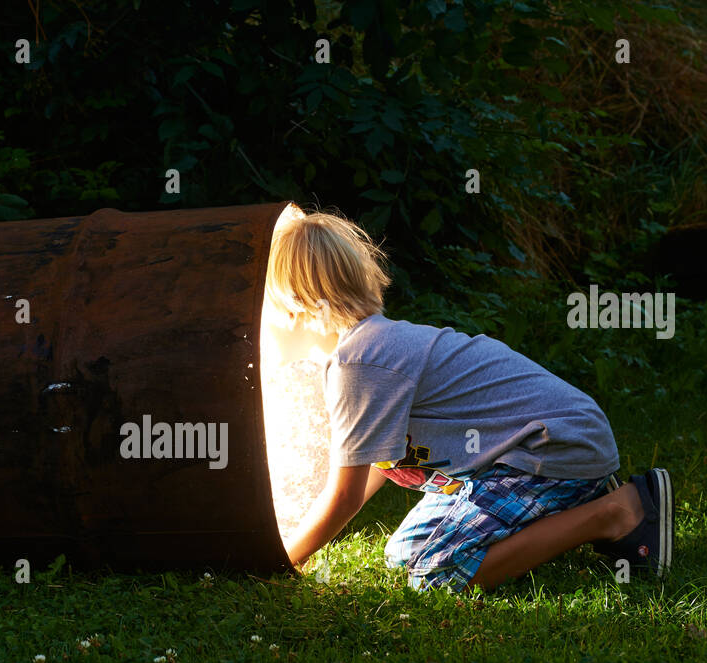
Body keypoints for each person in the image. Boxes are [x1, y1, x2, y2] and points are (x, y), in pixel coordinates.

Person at [268, 204, 673, 591]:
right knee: (403, 553)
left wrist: (280, 562)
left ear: (296, 309)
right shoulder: (367, 351)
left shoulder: (359, 361)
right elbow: (372, 457)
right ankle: (573, 504)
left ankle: (615, 512)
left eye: (266, 310)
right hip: (529, 455)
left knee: (436, 573)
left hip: (554, 447)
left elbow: (344, 496)